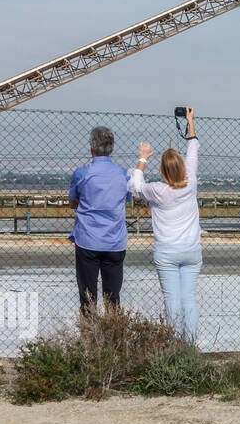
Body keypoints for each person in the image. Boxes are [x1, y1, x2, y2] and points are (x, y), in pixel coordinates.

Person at [128, 108, 202, 341]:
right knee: (188, 298)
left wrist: (142, 157)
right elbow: (193, 147)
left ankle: (175, 343)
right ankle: (189, 343)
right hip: (191, 249)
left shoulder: (157, 190)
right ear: (181, 166)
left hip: (167, 251)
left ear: (162, 170)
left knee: (172, 299)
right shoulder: (190, 181)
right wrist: (190, 121)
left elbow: (135, 186)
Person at [69, 126, 131, 312]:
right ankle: (113, 334)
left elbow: (73, 202)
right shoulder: (123, 174)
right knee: (113, 297)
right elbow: (124, 199)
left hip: (88, 240)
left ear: (91, 149)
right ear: (111, 148)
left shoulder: (82, 173)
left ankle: (89, 335)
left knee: (87, 297)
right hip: (114, 241)